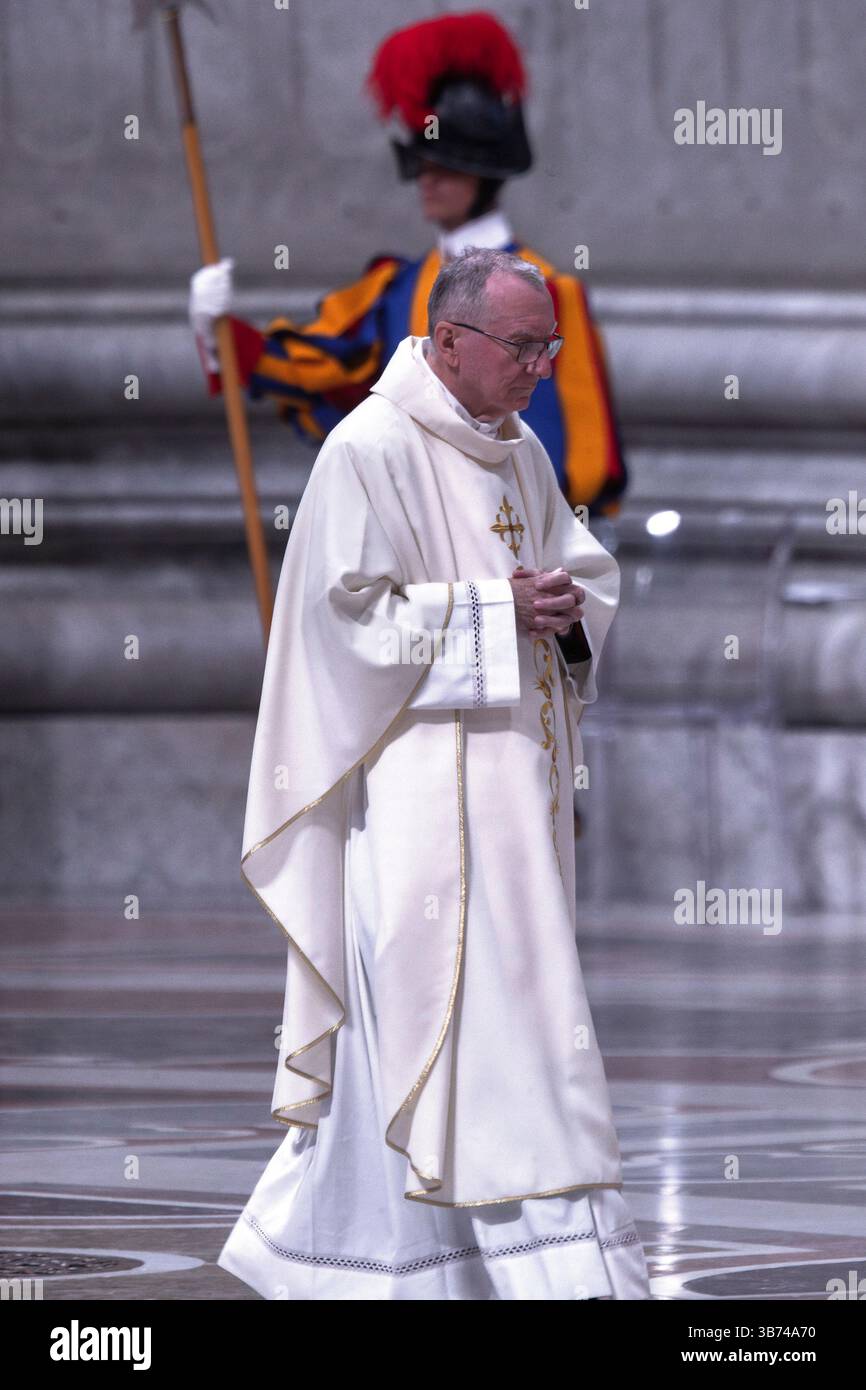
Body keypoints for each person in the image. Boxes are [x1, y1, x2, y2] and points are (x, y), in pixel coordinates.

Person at [216, 247, 651, 1300]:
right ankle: (506, 1272)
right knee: (468, 1023)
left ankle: (416, 1268)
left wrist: (559, 602)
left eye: (546, 347)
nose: (540, 367)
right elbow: (335, 629)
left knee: (499, 1020)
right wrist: (491, 612)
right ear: (449, 341)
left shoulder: (517, 454)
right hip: (417, 816)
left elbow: (576, 572)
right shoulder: (367, 449)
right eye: (521, 347)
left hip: (514, 801)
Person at [188, 10, 628, 525]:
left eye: (446, 166)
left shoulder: (553, 293)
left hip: (518, 538)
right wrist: (220, 331)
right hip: (412, 536)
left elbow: (583, 452)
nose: (427, 179)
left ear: (483, 174)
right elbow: (313, 368)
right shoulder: (393, 290)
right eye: (421, 164)